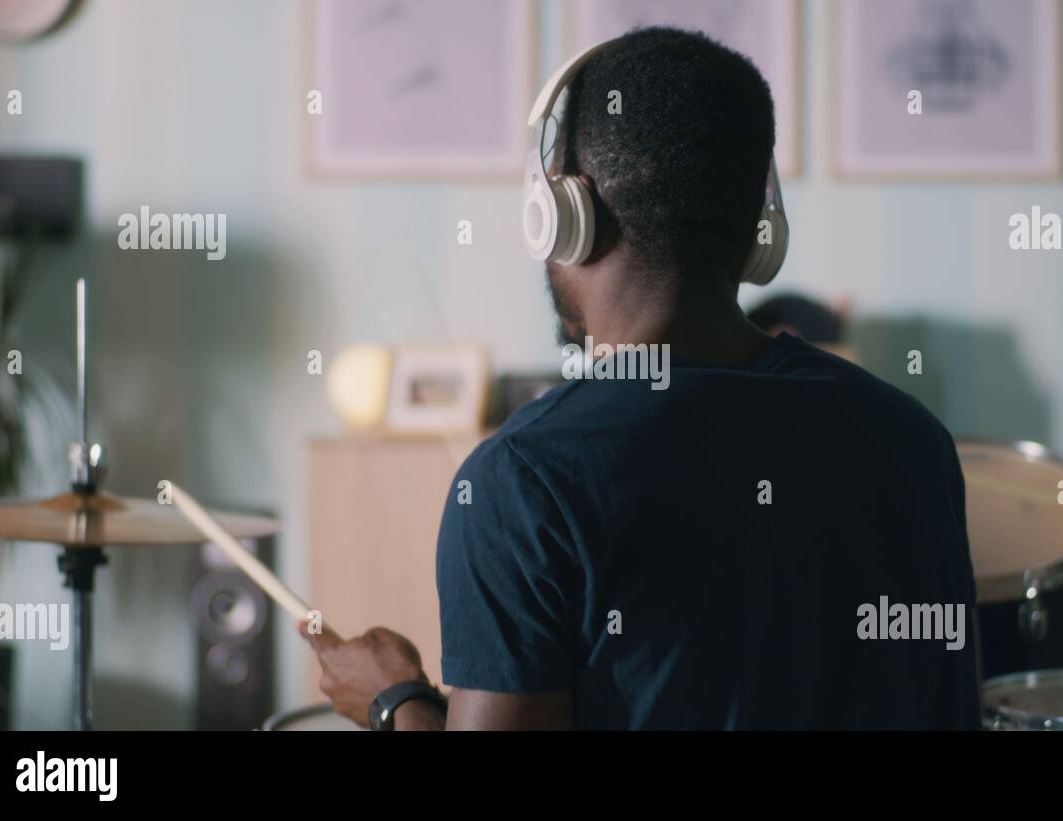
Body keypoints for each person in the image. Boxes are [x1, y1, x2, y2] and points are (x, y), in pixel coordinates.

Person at [302, 27, 980, 731]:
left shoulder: (525, 479)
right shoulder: (912, 440)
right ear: (758, 227)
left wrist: (394, 701)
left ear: (562, 214)